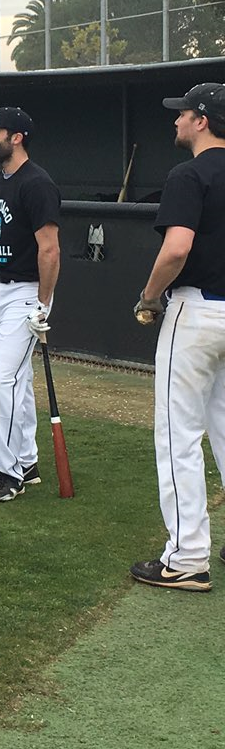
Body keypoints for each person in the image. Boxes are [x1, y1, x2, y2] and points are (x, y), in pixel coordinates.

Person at [131, 83, 225, 593]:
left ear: (203, 120)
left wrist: (149, 297)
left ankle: (188, 557)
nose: (176, 121)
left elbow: (176, 249)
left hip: (197, 311)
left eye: (183, 113)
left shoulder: (188, 173)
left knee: (179, 434)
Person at [0, 107, 60, 503]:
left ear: (18, 137)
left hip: (26, 293)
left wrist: (43, 304)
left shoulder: (37, 183)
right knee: (17, 381)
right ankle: (26, 460)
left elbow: (50, 248)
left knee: (1, 381)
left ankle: (10, 476)